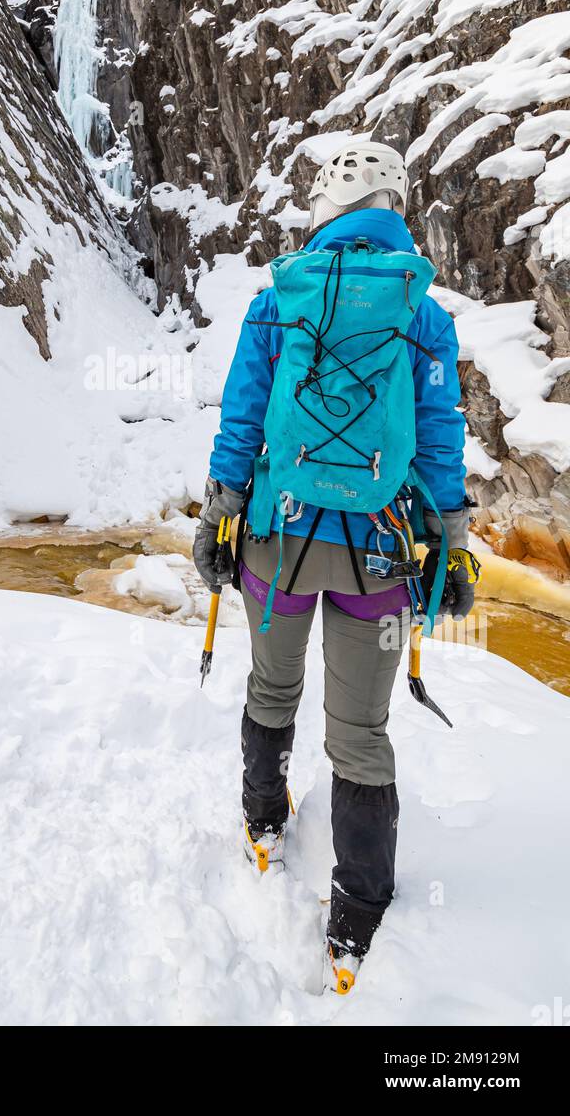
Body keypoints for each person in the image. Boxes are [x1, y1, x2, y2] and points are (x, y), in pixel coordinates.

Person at [193, 140, 478, 993]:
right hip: (381, 553)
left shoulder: (279, 299)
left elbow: (243, 421)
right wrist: (453, 545)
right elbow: (437, 441)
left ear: (324, 211)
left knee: (271, 690)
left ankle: (262, 818)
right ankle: (357, 916)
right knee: (361, 731)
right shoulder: (422, 313)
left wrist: (218, 517)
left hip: (277, 545)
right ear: (396, 203)